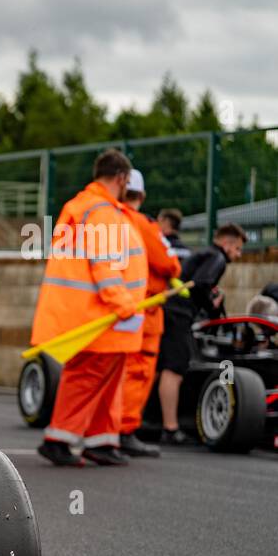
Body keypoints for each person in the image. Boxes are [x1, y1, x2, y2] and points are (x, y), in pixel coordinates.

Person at [32, 148, 148, 467]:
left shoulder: (82, 206)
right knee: (87, 378)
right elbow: (105, 265)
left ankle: (101, 441)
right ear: (122, 178)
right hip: (103, 315)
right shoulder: (101, 211)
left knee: (107, 381)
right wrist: (125, 305)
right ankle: (59, 439)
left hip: (95, 315)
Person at [155, 222, 247, 444]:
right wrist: (212, 304)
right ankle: (170, 428)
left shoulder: (203, 253)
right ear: (226, 243)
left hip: (167, 309)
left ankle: (139, 420)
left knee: (158, 367)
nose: (239, 254)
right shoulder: (217, 258)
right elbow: (201, 285)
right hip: (178, 313)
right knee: (175, 367)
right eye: (237, 249)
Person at [116, 169, 180, 458]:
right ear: (141, 195)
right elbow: (169, 263)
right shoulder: (142, 224)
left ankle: (104, 430)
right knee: (139, 371)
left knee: (115, 370)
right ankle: (124, 431)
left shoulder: (106, 220)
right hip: (143, 310)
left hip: (113, 305)